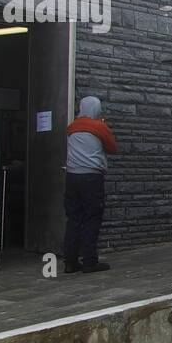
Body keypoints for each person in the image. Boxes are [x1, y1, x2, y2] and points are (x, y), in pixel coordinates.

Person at [63, 95, 118, 273]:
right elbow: (112, 148)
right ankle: (89, 261)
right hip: (91, 177)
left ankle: (70, 262)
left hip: (71, 177)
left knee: (74, 218)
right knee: (92, 218)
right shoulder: (98, 126)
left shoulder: (72, 127)